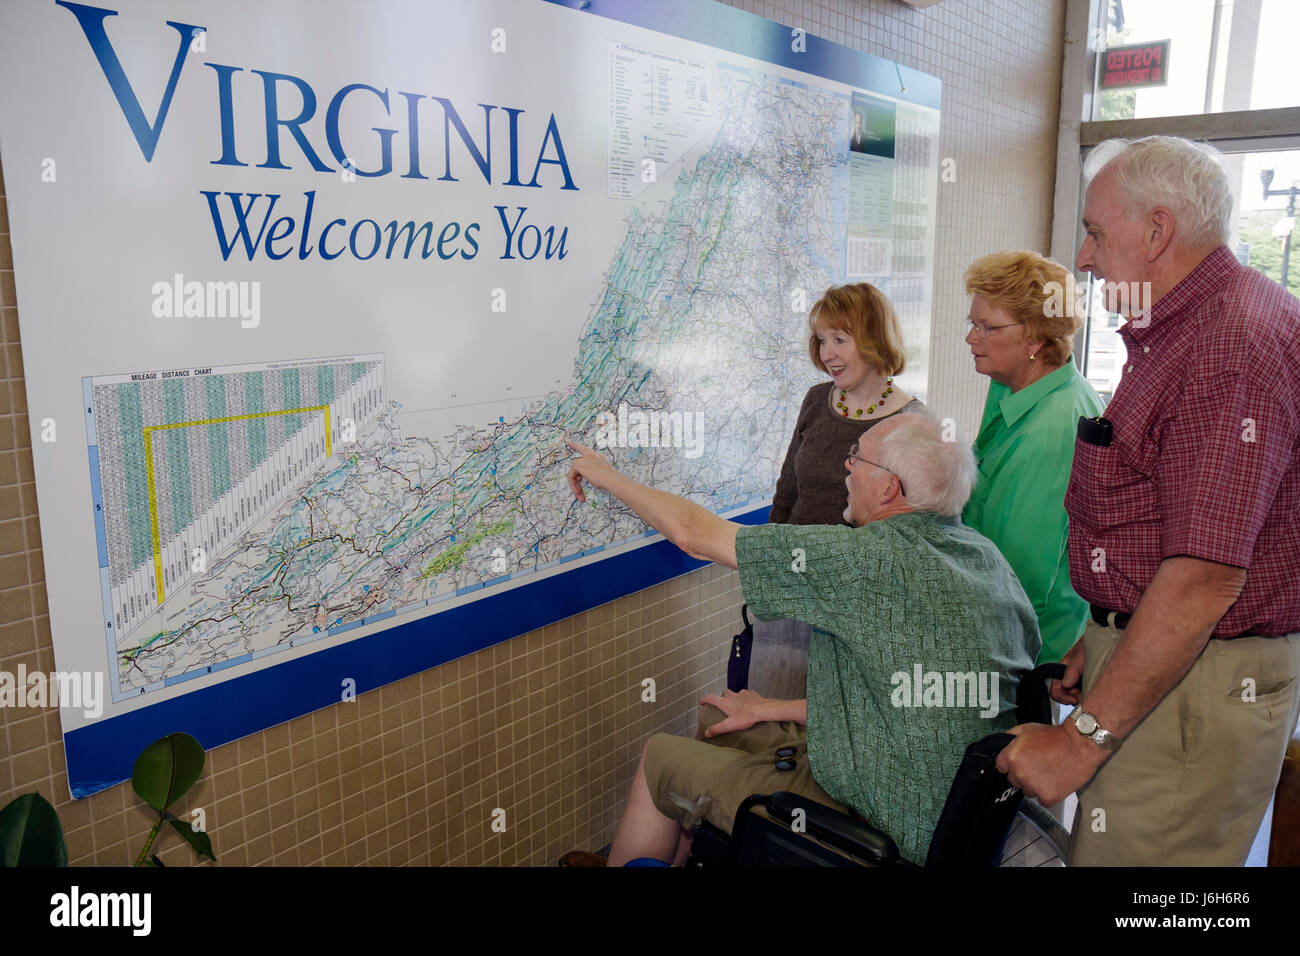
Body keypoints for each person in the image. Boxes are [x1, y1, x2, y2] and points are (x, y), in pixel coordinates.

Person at [996, 135, 1300, 866]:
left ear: (1159, 230)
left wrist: (1080, 742)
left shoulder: (1229, 346)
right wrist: (1106, 634)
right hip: (1167, 665)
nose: (1087, 257)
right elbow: (1161, 519)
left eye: (1098, 233)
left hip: (1194, 685)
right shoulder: (1188, 329)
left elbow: (1204, 578)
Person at [565, 413, 1040, 866]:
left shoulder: (864, 559)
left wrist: (608, 476)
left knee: (658, 757)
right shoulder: (984, 558)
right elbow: (909, 698)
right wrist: (768, 709)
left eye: (858, 459)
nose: (847, 469)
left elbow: (694, 535)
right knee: (719, 716)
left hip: (879, 824)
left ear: (889, 487)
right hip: (941, 806)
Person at [752, 283, 925, 697]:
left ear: (873, 338)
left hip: (855, 608)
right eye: (822, 340)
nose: (828, 353)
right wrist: (768, 574)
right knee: (771, 719)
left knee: (833, 727)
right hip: (793, 591)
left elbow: (910, 535)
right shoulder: (815, 400)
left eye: (840, 340)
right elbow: (787, 493)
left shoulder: (912, 422)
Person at [960, 251, 1103, 666]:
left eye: (987, 327)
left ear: (1036, 339)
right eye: (973, 323)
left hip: (1020, 652)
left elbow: (1020, 575)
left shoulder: (1052, 430)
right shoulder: (1015, 384)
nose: (972, 337)